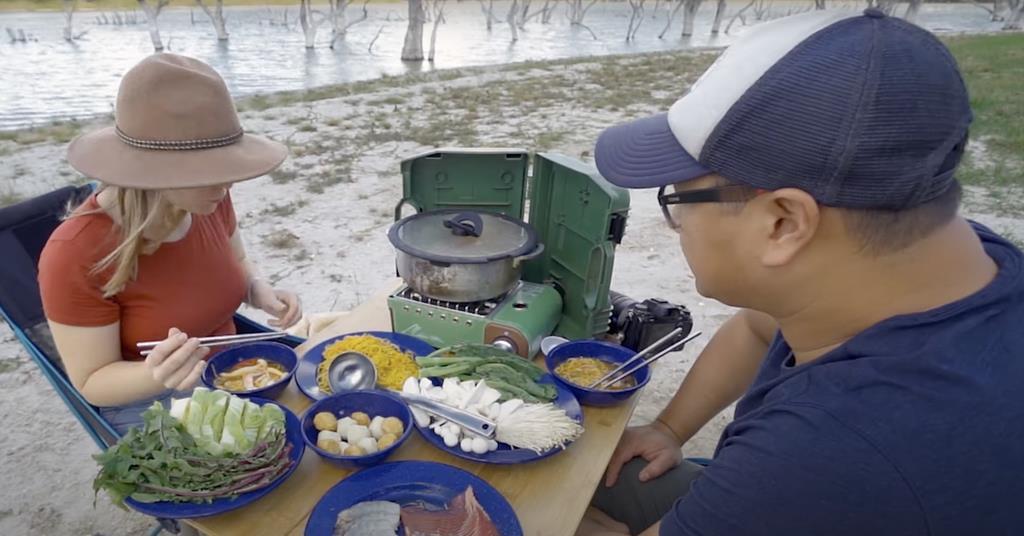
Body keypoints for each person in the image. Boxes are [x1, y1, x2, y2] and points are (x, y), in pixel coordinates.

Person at [582, 9, 1024, 536]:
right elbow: (756, 327)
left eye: (677, 197)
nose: (677, 223)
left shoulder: (836, 451)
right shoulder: (960, 261)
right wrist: (671, 428)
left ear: (783, 223)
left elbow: (814, 475)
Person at [38, 53, 303, 434]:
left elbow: (237, 258)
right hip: (151, 402)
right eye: (209, 170)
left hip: (236, 369)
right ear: (150, 170)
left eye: (228, 167)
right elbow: (92, 382)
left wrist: (257, 290)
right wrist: (156, 374)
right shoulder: (74, 253)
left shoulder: (208, 198)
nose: (228, 184)